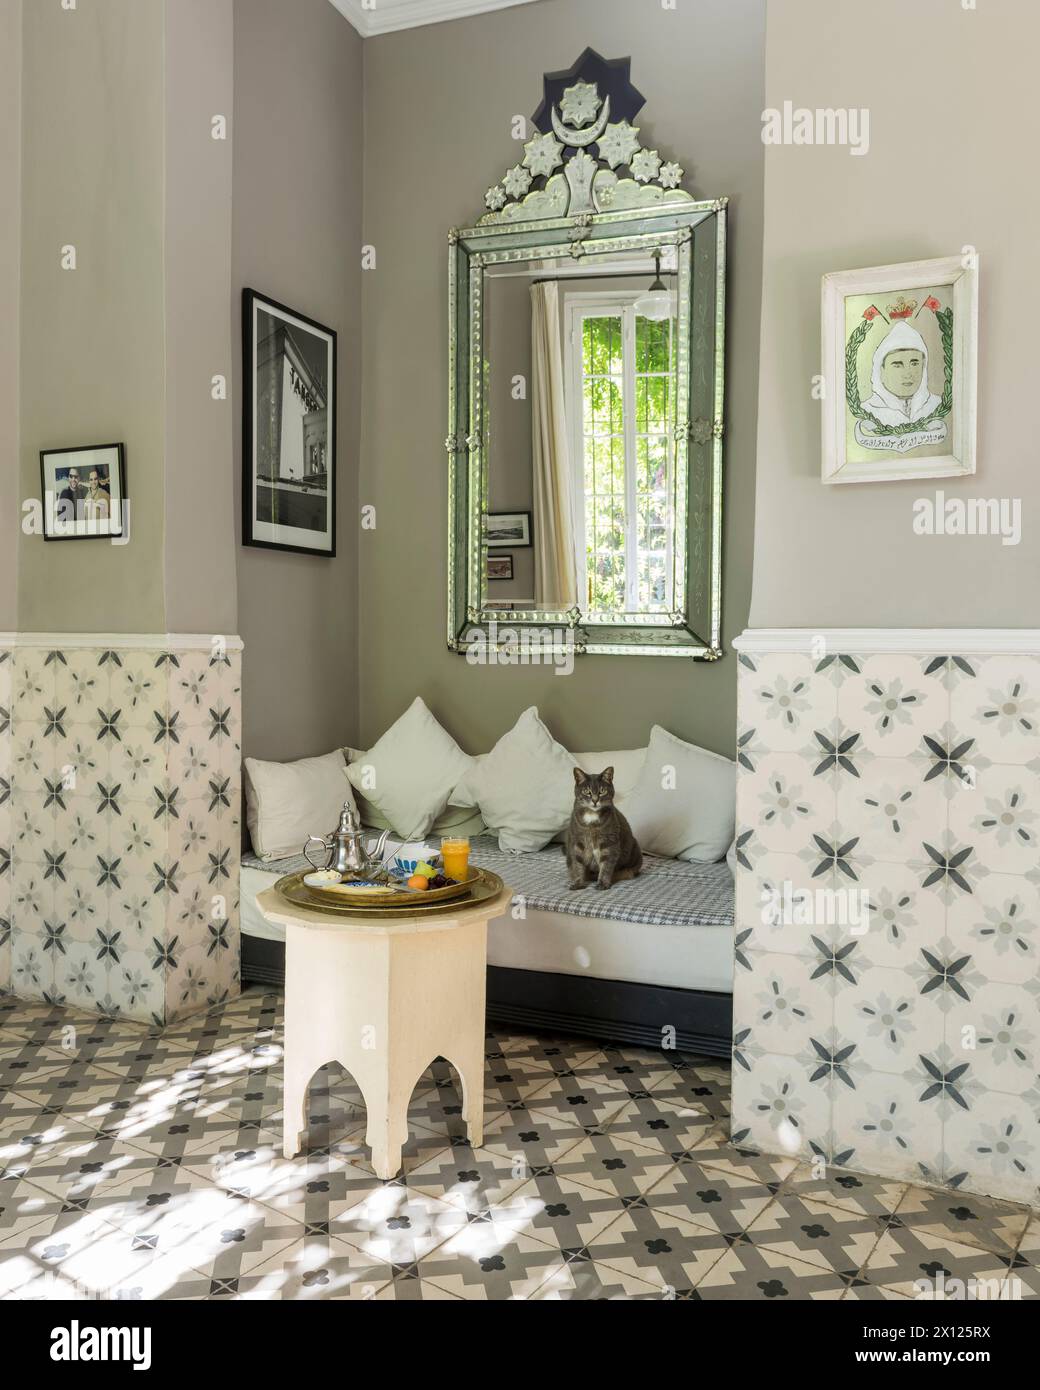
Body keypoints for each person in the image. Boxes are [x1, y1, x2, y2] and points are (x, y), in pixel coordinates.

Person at [860, 320, 943, 426]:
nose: (908, 374)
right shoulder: (865, 411)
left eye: (914, 364)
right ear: (881, 370)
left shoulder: (938, 405)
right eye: (898, 365)